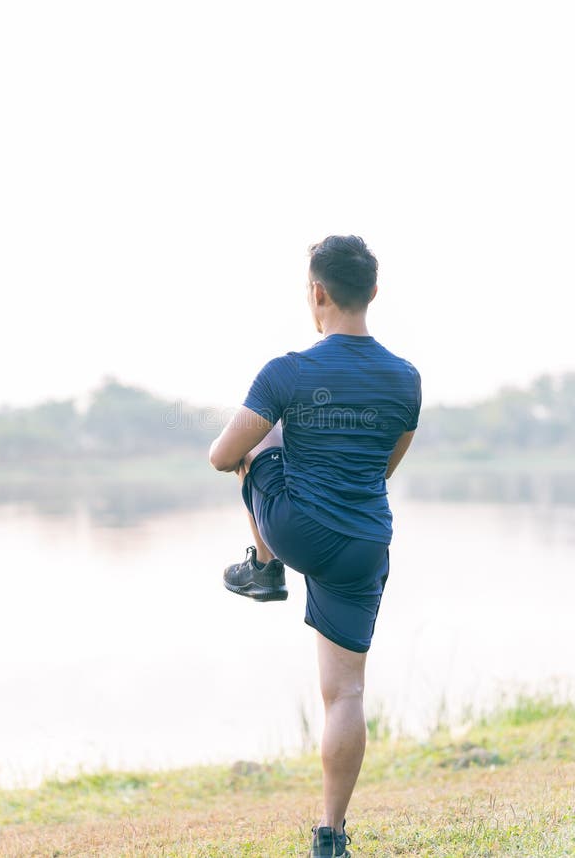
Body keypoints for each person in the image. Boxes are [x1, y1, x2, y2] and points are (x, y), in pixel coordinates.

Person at [209, 234, 421, 858]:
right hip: (365, 542)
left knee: (257, 442)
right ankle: (331, 833)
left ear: (317, 292)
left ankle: (263, 569)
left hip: (298, 530)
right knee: (347, 694)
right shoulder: (406, 378)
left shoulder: (288, 371)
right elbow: (383, 467)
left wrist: (279, 432)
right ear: (373, 292)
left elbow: (223, 456)